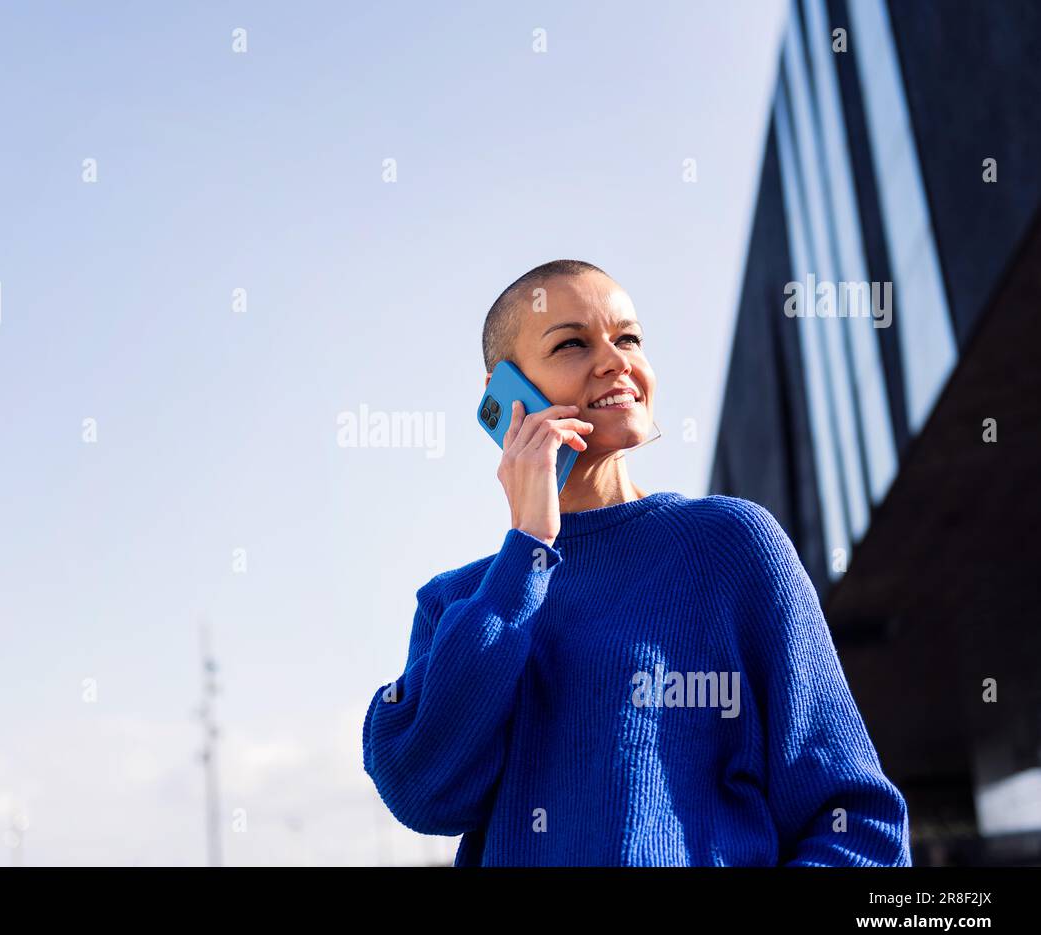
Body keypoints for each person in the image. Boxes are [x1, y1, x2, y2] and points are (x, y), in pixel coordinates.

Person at [361, 259, 912, 866]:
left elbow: (856, 821)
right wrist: (527, 550)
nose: (616, 361)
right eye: (572, 343)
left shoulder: (730, 545)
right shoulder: (459, 600)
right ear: (504, 393)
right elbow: (424, 791)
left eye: (628, 338)